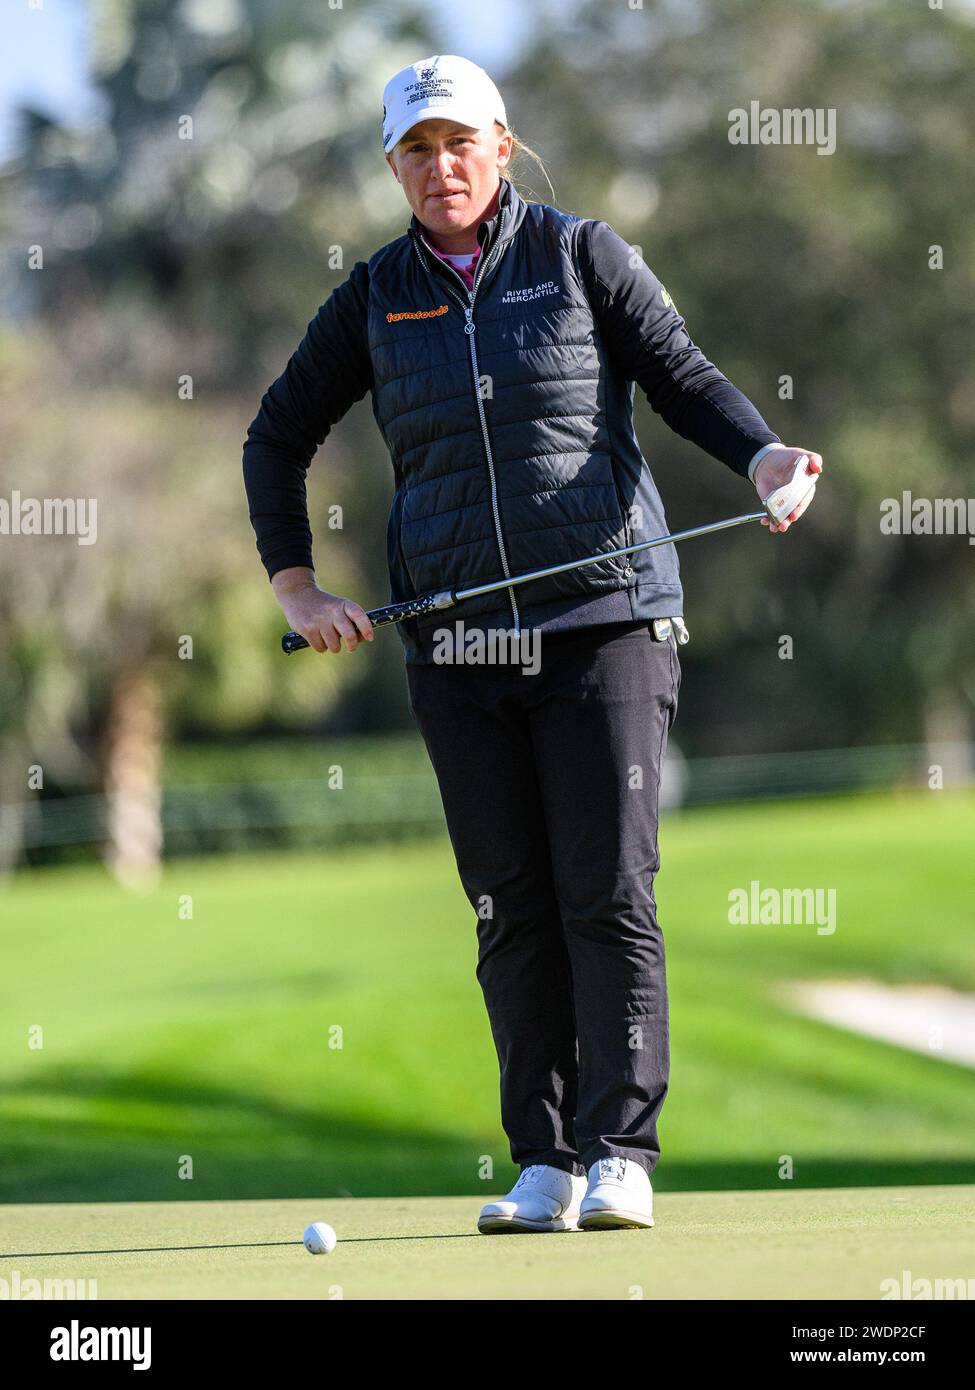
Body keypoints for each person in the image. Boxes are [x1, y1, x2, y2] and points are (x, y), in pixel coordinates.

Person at [243, 54, 822, 1233]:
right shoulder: (373, 298)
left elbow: (682, 375)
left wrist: (761, 453)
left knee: (605, 886)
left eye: (461, 142)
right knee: (509, 903)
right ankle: (544, 1161)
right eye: (417, 148)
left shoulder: (581, 253)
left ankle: (621, 1152)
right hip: (456, 641)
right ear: (394, 167)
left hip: (605, 616)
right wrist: (299, 588)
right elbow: (275, 436)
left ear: (501, 148)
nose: (441, 165)